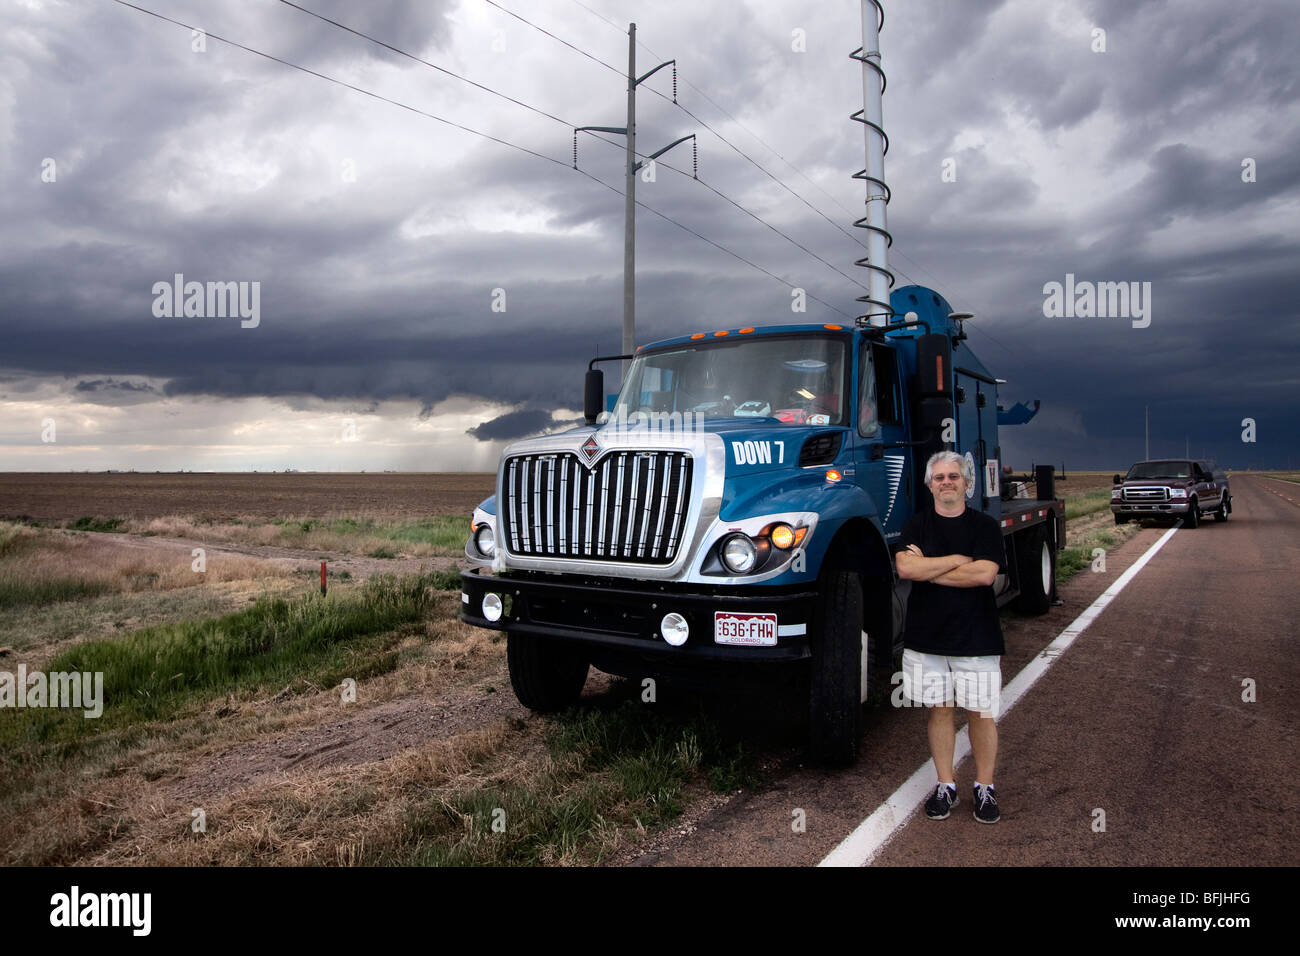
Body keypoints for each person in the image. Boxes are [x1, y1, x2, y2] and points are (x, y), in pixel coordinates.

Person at [893, 450, 1007, 824]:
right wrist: (960, 559)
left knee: (979, 712)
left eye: (953, 477)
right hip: (927, 637)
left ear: (967, 483)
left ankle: (985, 787)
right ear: (930, 485)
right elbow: (906, 567)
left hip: (977, 635)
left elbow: (984, 576)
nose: (946, 483)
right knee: (939, 710)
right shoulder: (915, 525)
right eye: (939, 477)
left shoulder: (985, 527)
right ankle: (946, 785)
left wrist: (932, 568)